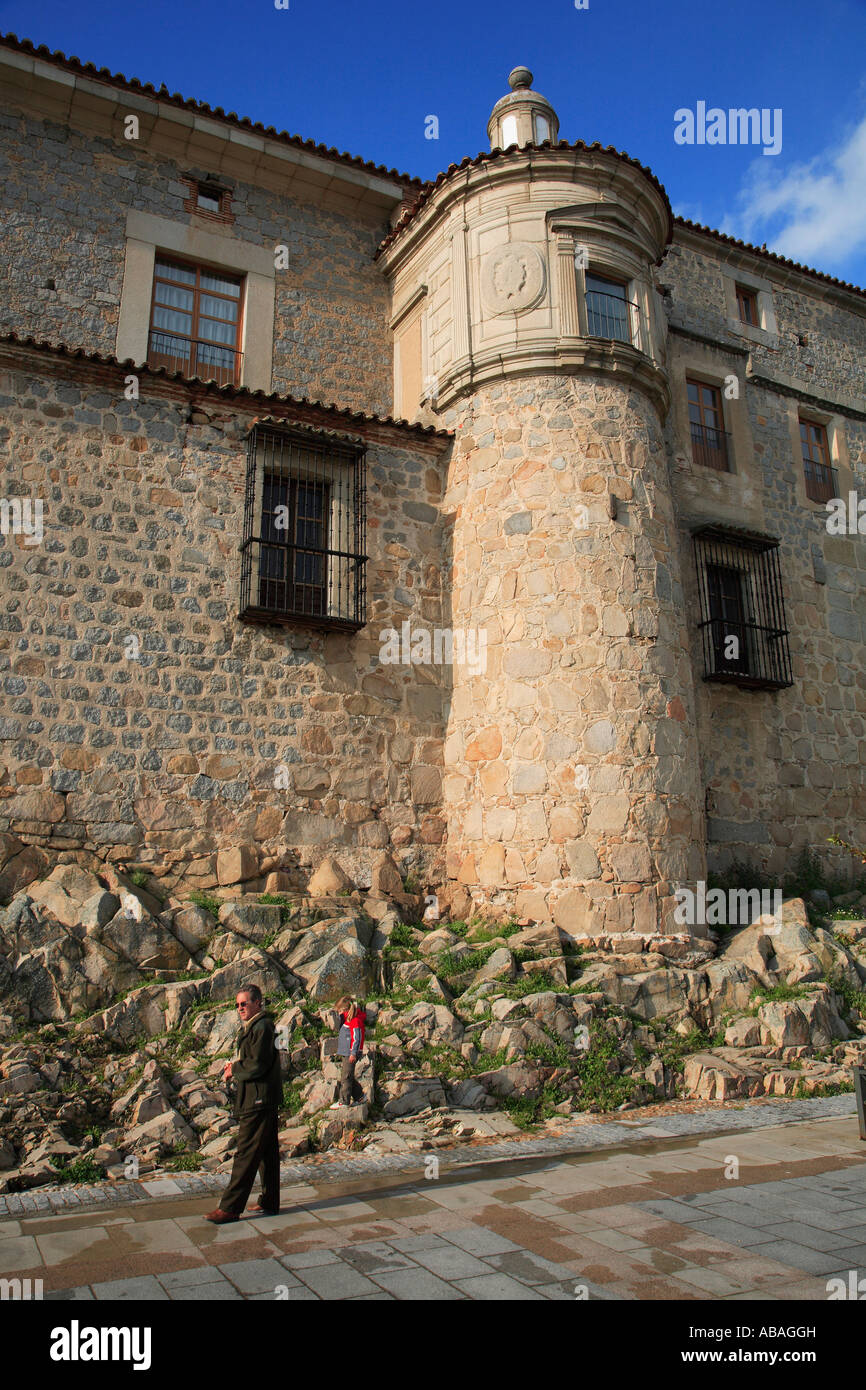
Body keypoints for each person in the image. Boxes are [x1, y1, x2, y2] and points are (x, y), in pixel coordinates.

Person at [204, 984, 282, 1223]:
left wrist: (233, 1069)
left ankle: (230, 1207)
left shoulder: (263, 1027)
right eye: (238, 1005)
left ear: (258, 1002)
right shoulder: (257, 1027)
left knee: (246, 1153)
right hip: (261, 1097)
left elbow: (257, 1064)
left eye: (244, 1003)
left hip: (258, 1099)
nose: (240, 1008)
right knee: (267, 1153)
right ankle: (270, 1200)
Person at [329, 995, 366, 1109]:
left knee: (346, 1077)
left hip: (351, 1053)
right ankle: (360, 1096)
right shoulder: (347, 1019)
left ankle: (344, 1101)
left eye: (340, 1010)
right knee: (348, 1075)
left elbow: (356, 1038)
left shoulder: (355, 1021)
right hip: (346, 1052)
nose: (339, 1013)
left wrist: (353, 1053)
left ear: (345, 1009)